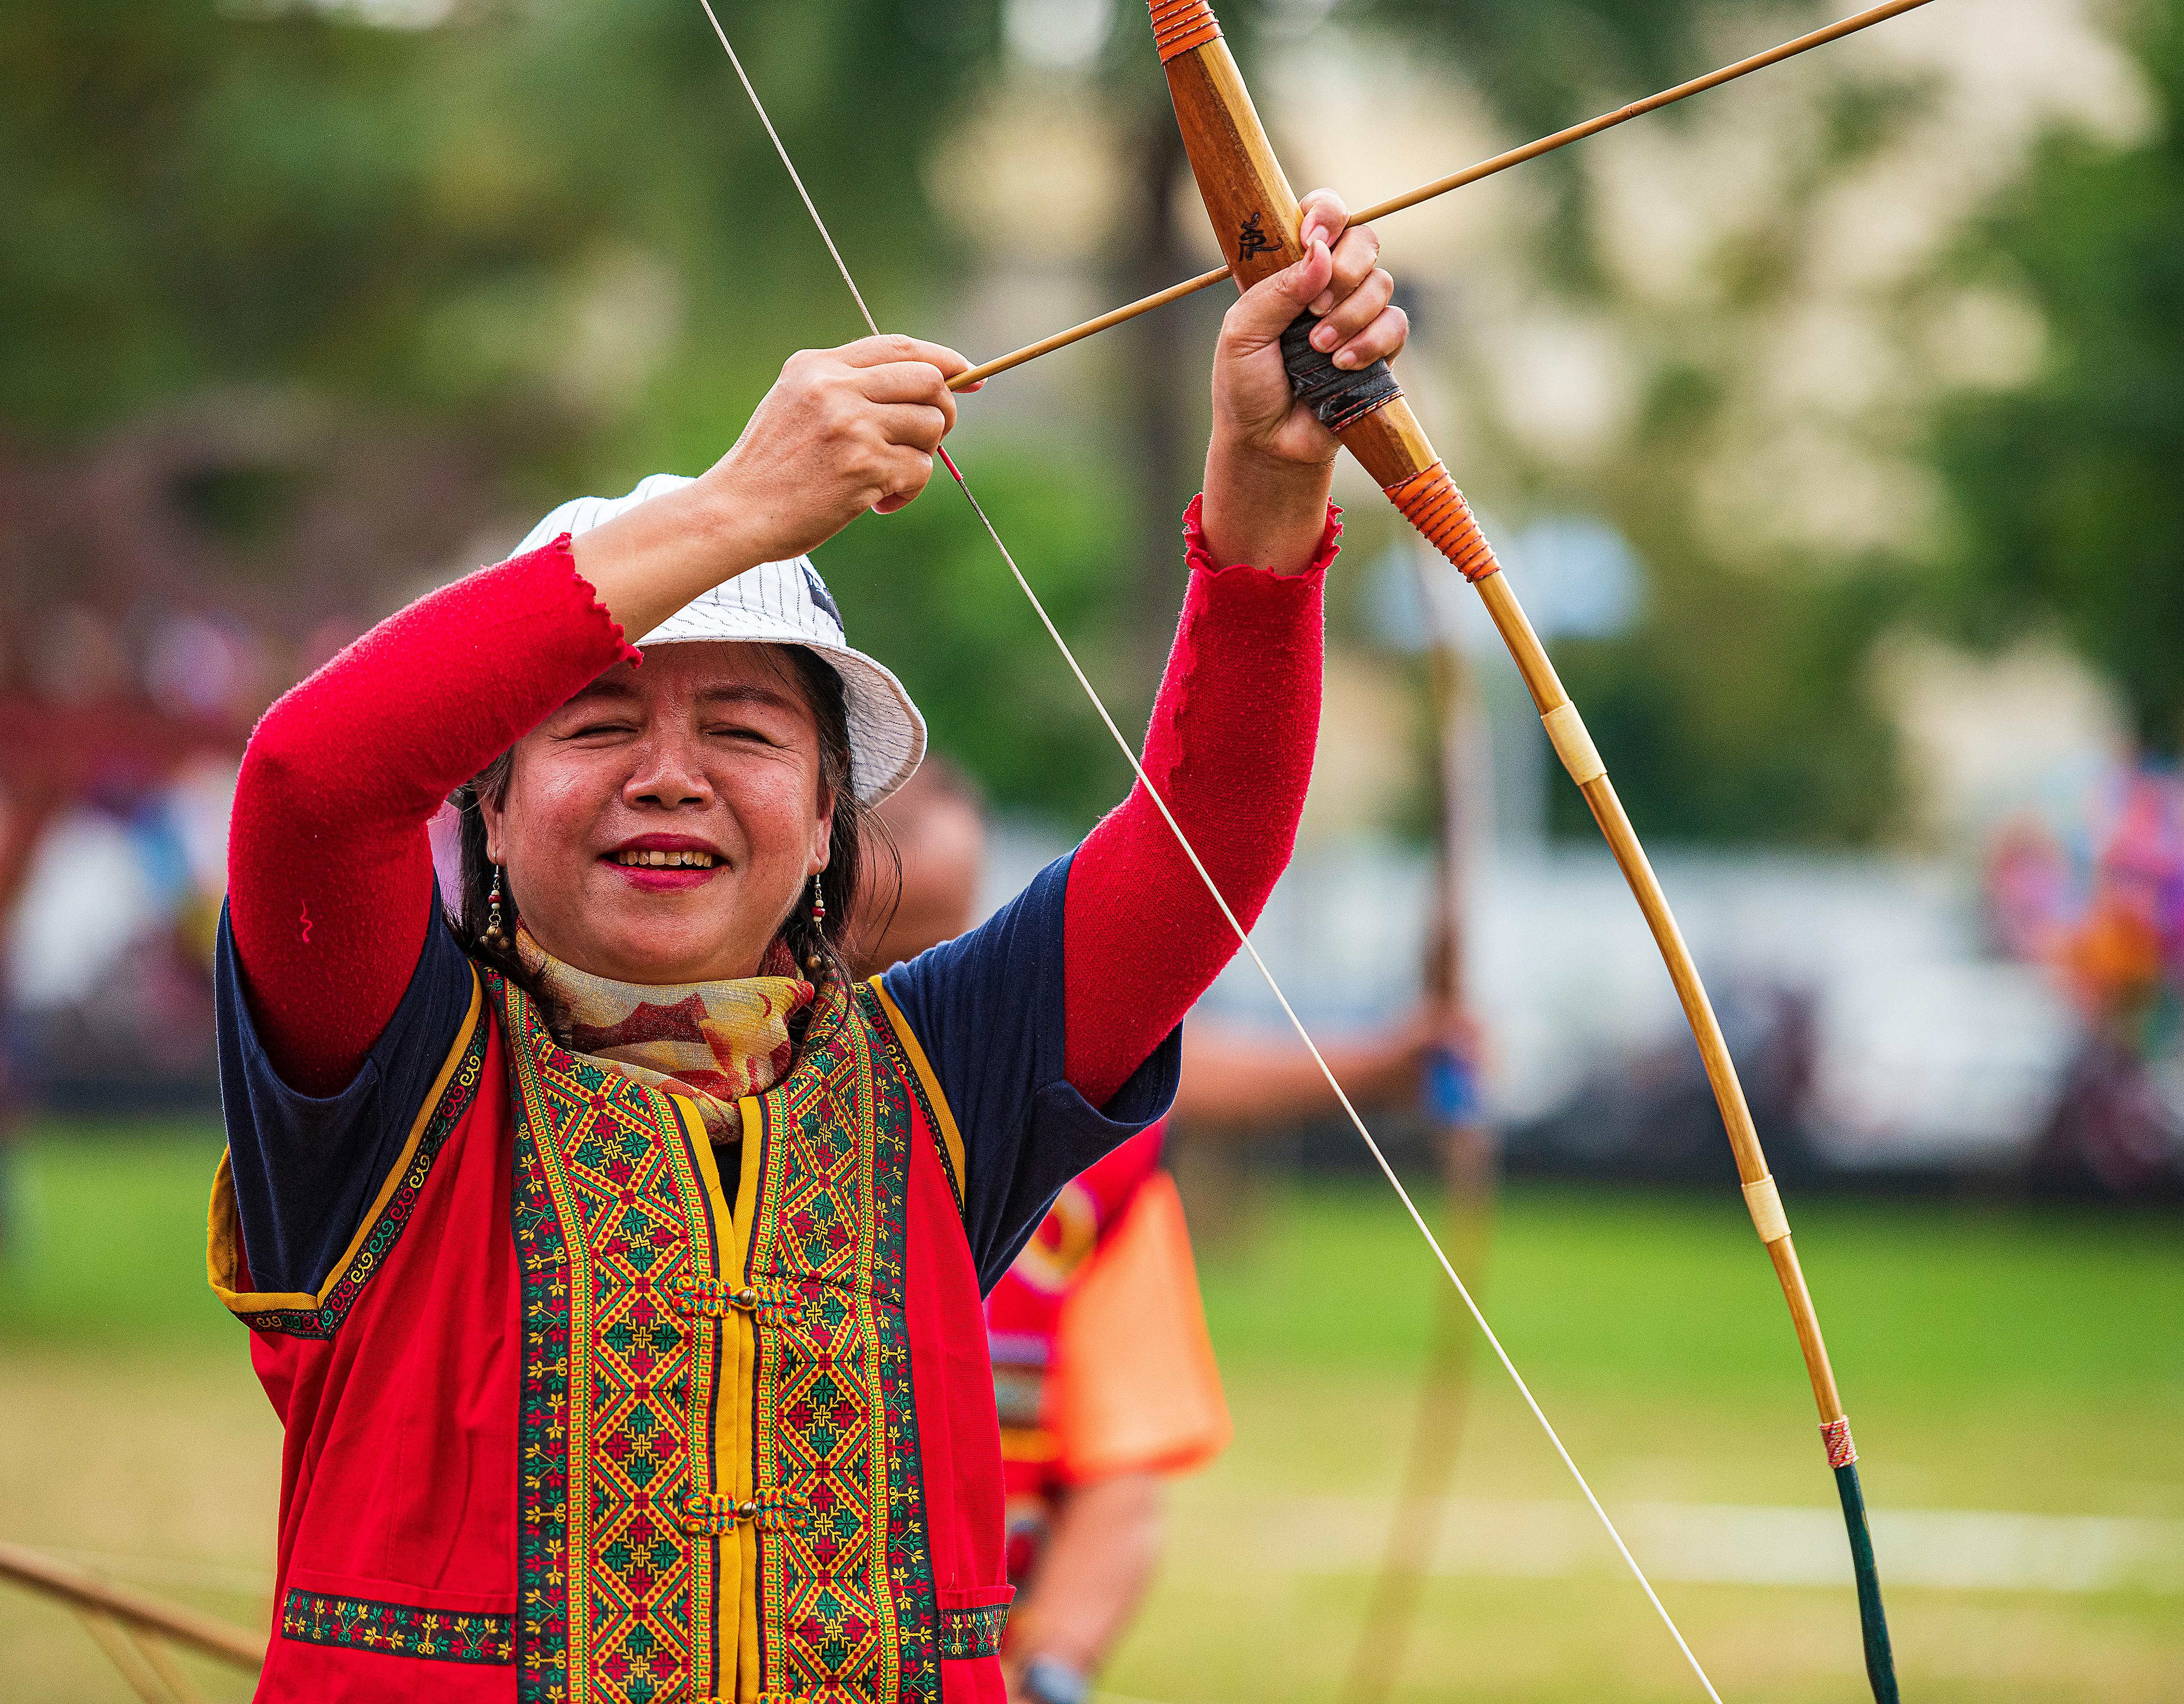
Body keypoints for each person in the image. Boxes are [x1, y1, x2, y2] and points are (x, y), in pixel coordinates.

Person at [210, 189, 1405, 1701]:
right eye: (597, 725)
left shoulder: (937, 1078)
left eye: (743, 728)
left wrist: (1268, 471)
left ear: (832, 815)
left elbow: (1202, 850)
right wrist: (740, 511)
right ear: (489, 808)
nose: (670, 775)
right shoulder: (380, 1073)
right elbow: (311, 784)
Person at [851, 762, 1472, 1704]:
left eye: (943, 794)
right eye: (889, 791)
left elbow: (1119, 1474)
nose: (927, 806)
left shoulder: (1088, 1162)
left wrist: (1048, 1672)